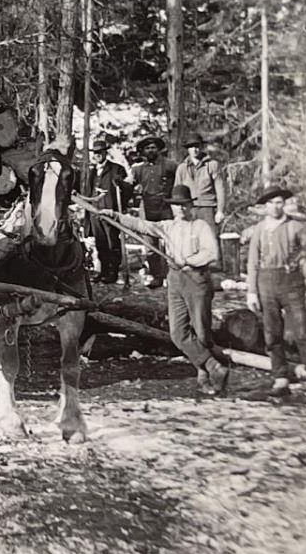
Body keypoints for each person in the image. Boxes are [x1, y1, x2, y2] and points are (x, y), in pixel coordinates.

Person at [81, 184, 229, 394]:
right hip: (175, 280)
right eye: (177, 206)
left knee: (202, 334)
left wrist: (188, 260)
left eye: (184, 205)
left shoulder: (200, 226)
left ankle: (204, 374)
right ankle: (213, 366)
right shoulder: (168, 227)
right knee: (178, 333)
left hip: (197, 281)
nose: (181, 210)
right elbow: (141, 225)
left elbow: (212, 253)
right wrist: (114, 215)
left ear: (190, 206)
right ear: (173, 208)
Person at [245, 184, 306, 396]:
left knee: (301, 329)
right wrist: (251, 291)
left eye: (279, 203)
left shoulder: (294, 227)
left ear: (284, 205)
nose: (275, 207)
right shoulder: (259, 229)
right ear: (265, 207)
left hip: (291, 283)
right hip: (266, 282)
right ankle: (280, 377)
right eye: (271, 203)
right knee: (272, 332)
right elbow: (252, 262)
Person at [81, 135, 133, 284]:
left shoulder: (117, 169)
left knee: (112, 243)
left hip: (110, 212)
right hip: (95, 212)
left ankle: (113, 272)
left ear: (105, 153)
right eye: (95, 153)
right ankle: (103, 271)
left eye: (100, 152)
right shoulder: (91, 172)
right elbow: (88, 192)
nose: (97, 155)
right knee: (100, 244)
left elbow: (127, 191)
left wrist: (121, 186)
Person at [129, 135, 177, 287]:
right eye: (147, 148)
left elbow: (181, 181)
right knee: (150, 245)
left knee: (172, 243)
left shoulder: (170, 165)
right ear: (143, 151)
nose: (150, 150)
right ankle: (157, 276)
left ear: (158, 149)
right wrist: (121, 183)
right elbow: (128, 184)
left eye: (153, 148)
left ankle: (174, 275)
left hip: (166, 206)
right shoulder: (138, 169)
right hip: (147, 206)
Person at [175, 135, 228, 230]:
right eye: (191, 147)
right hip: (189, 209)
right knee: (189, 239)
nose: (195, 150)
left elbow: (220, 189)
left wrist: (220, 211)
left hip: (208, 208)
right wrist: (178, 212)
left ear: (201, 147)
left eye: (197, 146)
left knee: (211, 239)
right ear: (187, 149)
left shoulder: (212, 165)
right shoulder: (182, 168)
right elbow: (177, 191)